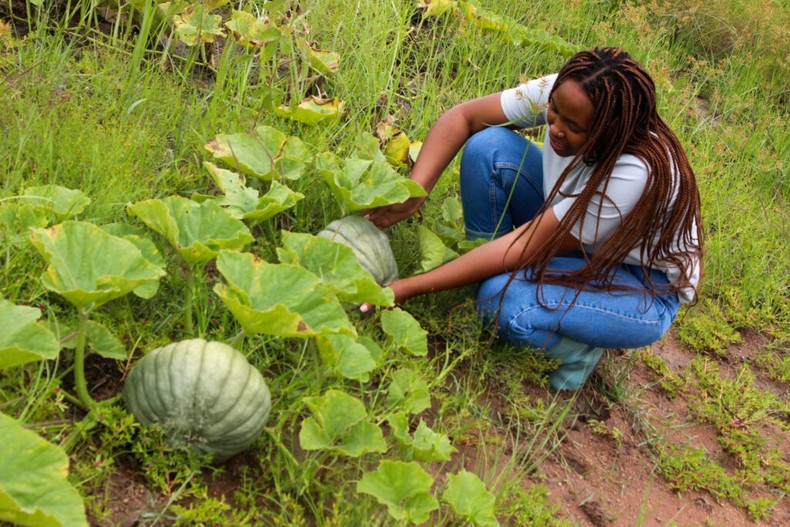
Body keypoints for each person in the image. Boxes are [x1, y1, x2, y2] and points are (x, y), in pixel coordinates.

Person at [364, 47, 703, 391]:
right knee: (487, 147)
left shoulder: (634, 171)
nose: (556, 128)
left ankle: (578, 351)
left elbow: (526, 244)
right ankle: (475, 278)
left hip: (641, 284)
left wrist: (406, 288)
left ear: (609, 131)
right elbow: (464, 116)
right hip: (575, 230)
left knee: (501, 303)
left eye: (574, 127)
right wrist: (416, 190)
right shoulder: (570, 93)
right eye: (554, 112)